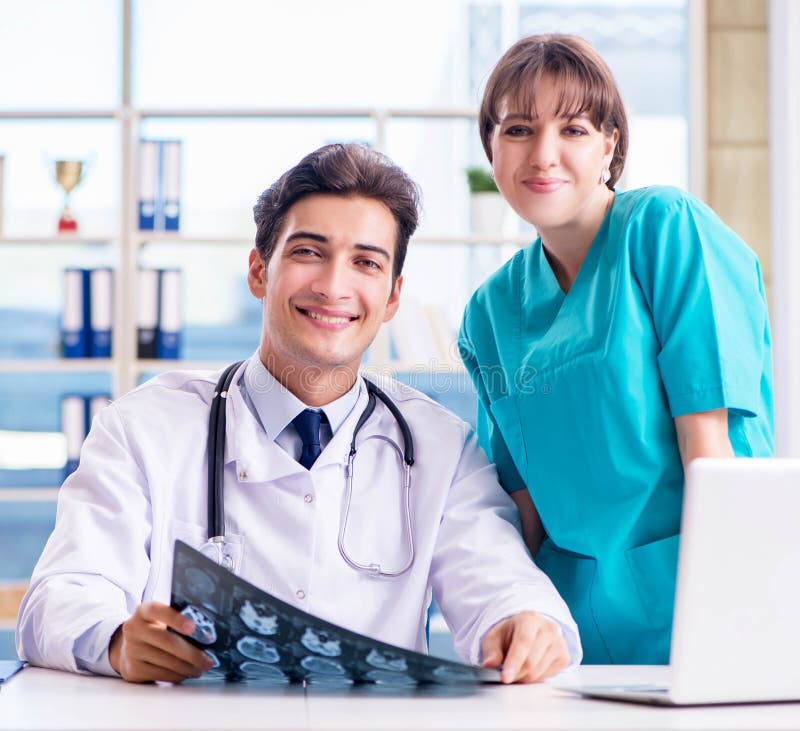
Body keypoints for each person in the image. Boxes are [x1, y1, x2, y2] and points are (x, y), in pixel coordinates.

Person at [17, 143, 580, 684]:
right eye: (309, 252)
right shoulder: (144, 428)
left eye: (365, 262)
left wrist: (525, 625)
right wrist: (115, 640)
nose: (334, 286)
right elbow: (60, 595)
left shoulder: (439, 447)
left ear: (391, 298)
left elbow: (503, 585)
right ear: (260, 271)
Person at [458, 35, 773, 665]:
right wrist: (514, 620)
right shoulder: (488, 313)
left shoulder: (665, 230)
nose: (542, 154)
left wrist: (732, 629)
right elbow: (525, 510)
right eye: (518, 129)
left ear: (610, 146)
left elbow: (711, 448)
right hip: (569, 635)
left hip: (702, 607)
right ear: (491, 151)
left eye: (572, 129)